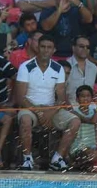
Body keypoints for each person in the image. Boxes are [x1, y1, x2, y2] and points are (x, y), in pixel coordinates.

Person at [14, 35, 66, 170]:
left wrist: (50, 112)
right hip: (29, 108)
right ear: (38, 48)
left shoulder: (58, 68)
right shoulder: (26, 67)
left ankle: (57, 158)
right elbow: (20, 98)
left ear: (54, 50)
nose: (45, 50)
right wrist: (38, 112)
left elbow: (61, 98)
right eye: (43, 47)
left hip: (51, 109)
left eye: (49, 47)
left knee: (75, 122)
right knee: (25, 121)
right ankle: (27, 158)